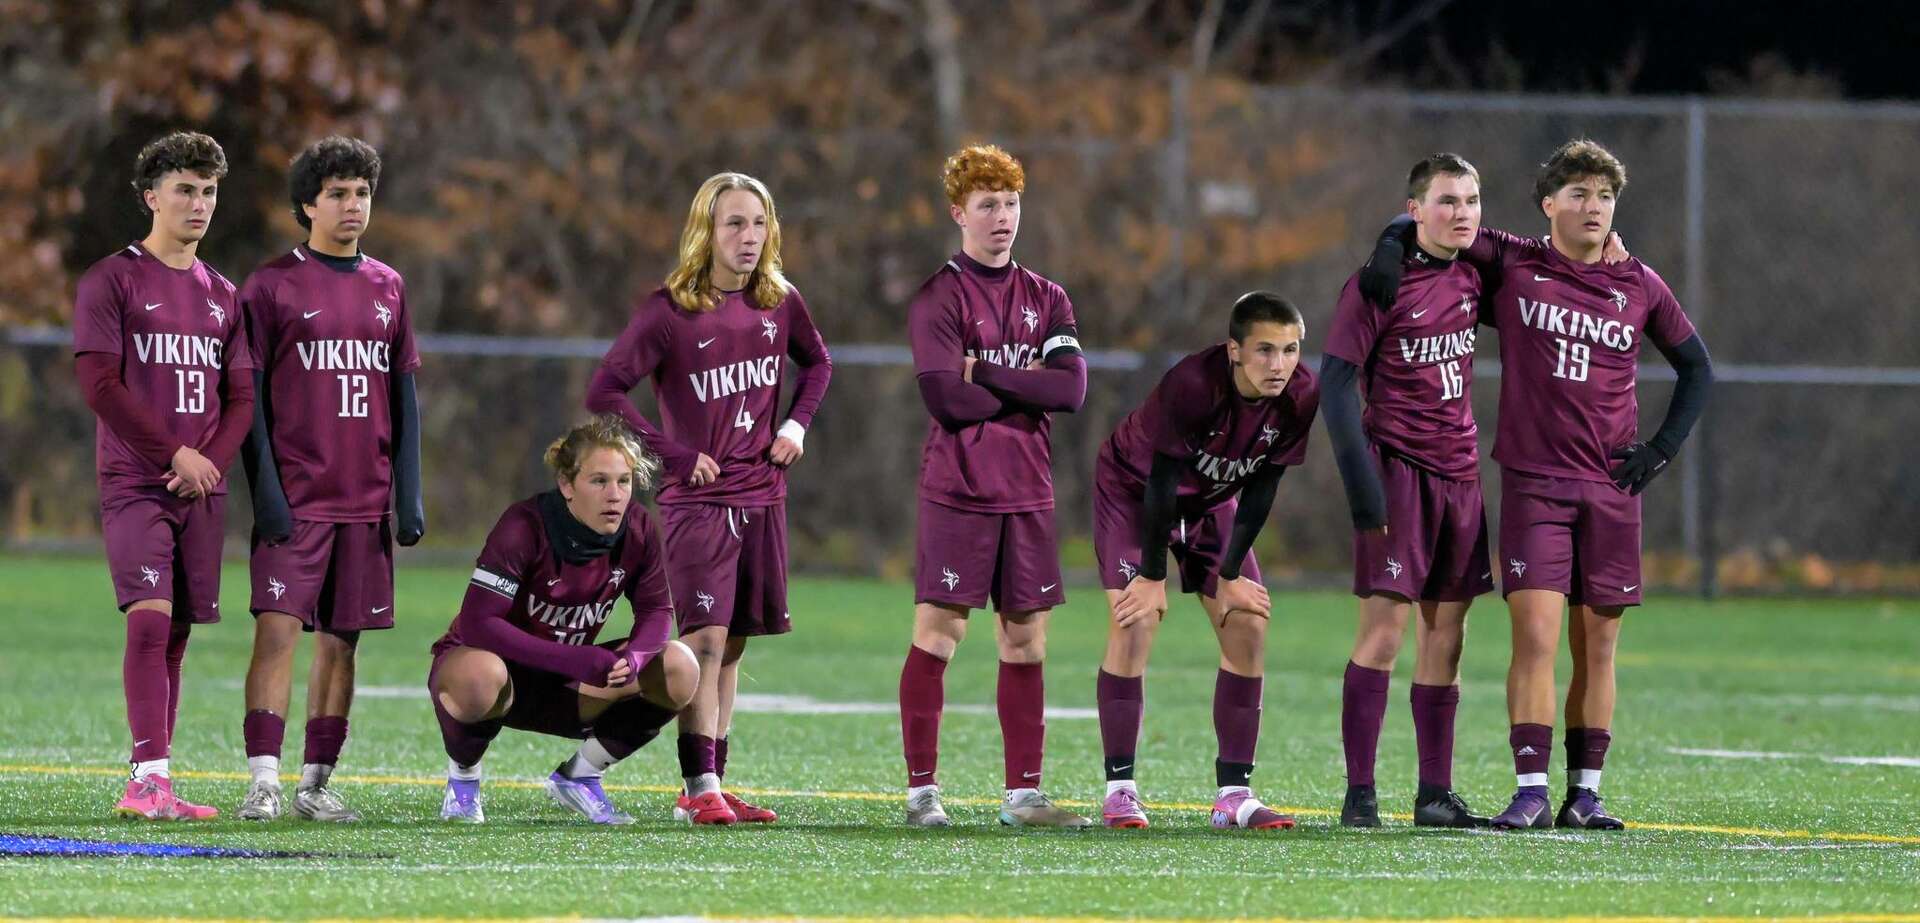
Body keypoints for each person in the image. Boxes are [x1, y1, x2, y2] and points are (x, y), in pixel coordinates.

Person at [1359, 139, 1713, 830]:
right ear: (1548, 203)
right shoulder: (1515, 263)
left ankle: (1586, 793)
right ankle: (1529, 788)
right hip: (1535, 485)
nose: (1594, 207)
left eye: (1605, 196)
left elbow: (1697, 368)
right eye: (1578, 194)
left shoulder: (1638, 282)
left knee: (1599, 644)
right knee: (1536, 637)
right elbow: (1432, 223)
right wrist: (1384, 247)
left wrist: (1662, 450)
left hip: (1610, 489)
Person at [587, 172, 832, 824]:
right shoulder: (670, 309)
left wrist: (794, 425)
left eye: (758, 224)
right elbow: (604, 391)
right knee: (705, 638)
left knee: (736, 643)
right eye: (734, 223)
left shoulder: (779, 300)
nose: (748, 237)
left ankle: (712, 780)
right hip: (698, 503)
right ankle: (696, 785)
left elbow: (819, 364)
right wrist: (669, 453)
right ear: (707, 229)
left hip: (762, 495)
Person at [897, 143, 1090, 827]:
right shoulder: (939, 297)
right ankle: (923, 793)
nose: (1003, 217)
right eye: (988, 205)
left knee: (1026, 640)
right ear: (959, 213)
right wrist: (1021, 390)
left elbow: (1070, 391)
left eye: (1010, 203)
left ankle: (1022, 796)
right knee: (940, 630)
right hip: (960, 486)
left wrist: (991, 376)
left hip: (1028, 489)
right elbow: (947, 401)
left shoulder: (1048, 296)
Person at [236, 136, 424, 822]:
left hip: (364, 502)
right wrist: (267, 494)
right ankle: (263, 778)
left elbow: (403, 400)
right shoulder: (271, 285)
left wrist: (409, 496)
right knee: (278, 631)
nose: (353, 205)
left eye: (362, 193)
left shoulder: (388, 286)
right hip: (299, 500)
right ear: (306, 204)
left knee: (343, 643)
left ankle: (315, 783)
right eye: (339, 193)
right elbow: (248, 402)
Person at [73, 130, 253, 820]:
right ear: (152, 196)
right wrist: (172, 454)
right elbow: (101, 385)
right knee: (148, 622)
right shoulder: (111, 279)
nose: (199, 203)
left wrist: (208, 463)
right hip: (136, 482)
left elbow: (240, 398)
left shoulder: (223, 295)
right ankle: (146, 780)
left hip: (200, 487)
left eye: (209, 191)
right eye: (185, 189)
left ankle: (157, 778)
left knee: (176, 631)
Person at [1091, 292, 1318, 831]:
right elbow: (1162, 481)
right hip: (1134, 490)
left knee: (1248, 624)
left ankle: (1234, 796)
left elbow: (1264, 485)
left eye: (1289, 350)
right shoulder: (1194, 383)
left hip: (1212, 500)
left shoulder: (1301, 392)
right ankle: (1120, 790)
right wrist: (1150, 575)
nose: (1279, 364)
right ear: (1234, 350)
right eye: (1264, 350)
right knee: (1136, 619)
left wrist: (1232, 574)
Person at [1320, 154, 1493, 828]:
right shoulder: (1374, 286)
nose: (1463, 212)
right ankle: (1360, 792)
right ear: (1416, 206)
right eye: (1448, 200)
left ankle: (1433, 794)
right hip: (1399, 475)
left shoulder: (1478, 270)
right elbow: (1334, 385)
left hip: (1462, 476)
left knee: (1446, 635)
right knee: (1385, 634)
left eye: (1472, 200)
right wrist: (1364, 490)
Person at [429, 416, 698, 824]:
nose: (615, 495)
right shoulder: (524, 526)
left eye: (623, 481)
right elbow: (477, 624)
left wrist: (639, 656)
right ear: (567, 486)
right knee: (480, 675)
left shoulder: (638, 529)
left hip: (566, 686)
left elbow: (657, 611)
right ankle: (463, 780)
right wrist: (573, 660)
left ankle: (580, 776)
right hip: (499, 679)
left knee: (679, 666)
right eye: (599, 481)